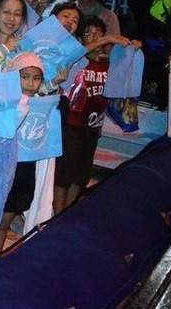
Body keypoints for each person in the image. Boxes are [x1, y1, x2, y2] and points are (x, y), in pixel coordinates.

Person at [52, 16, 140, 214]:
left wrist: (133, 46)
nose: (94, 38)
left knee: (81, 174)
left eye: (98, 34)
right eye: (88, 34)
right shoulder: (77, 60)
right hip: (71, 125)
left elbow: (131, 59)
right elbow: (81, 52)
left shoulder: (109, 64)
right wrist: (107, 38)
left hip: (93, 126)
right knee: (63, 173)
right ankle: (57, 213)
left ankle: (68, 212)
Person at [0, 52, 45, 256]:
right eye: (25, 76)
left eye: (36, 78)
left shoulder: (41, 104)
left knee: (5, 220)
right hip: (2, 168)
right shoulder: (2, 102)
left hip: (24, 169)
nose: (30, 83)